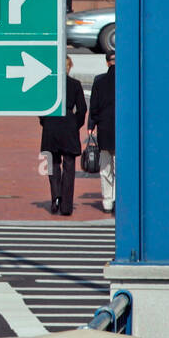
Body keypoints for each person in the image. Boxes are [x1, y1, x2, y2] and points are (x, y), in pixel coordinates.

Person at [39, 56, 88, 215]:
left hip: (51, 125)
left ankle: (56, 198)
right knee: (69, 166)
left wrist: (45, 123)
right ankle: (67, 205)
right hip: (68, 125)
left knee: (52, 165)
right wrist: (75, 124)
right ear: (69, 67)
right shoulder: (75, 85)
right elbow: (82, 109)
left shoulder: (48, 85)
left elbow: (41, 108)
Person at [89, 48, 116, 213]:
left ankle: (107, 200)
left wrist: (91, 126)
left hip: (104, 129)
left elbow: (94, 107)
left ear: (107, 62)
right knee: (120, 167)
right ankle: (118, 198)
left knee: (105, 167)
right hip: (122, 131)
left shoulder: (99, 81)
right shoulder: (128, 80)